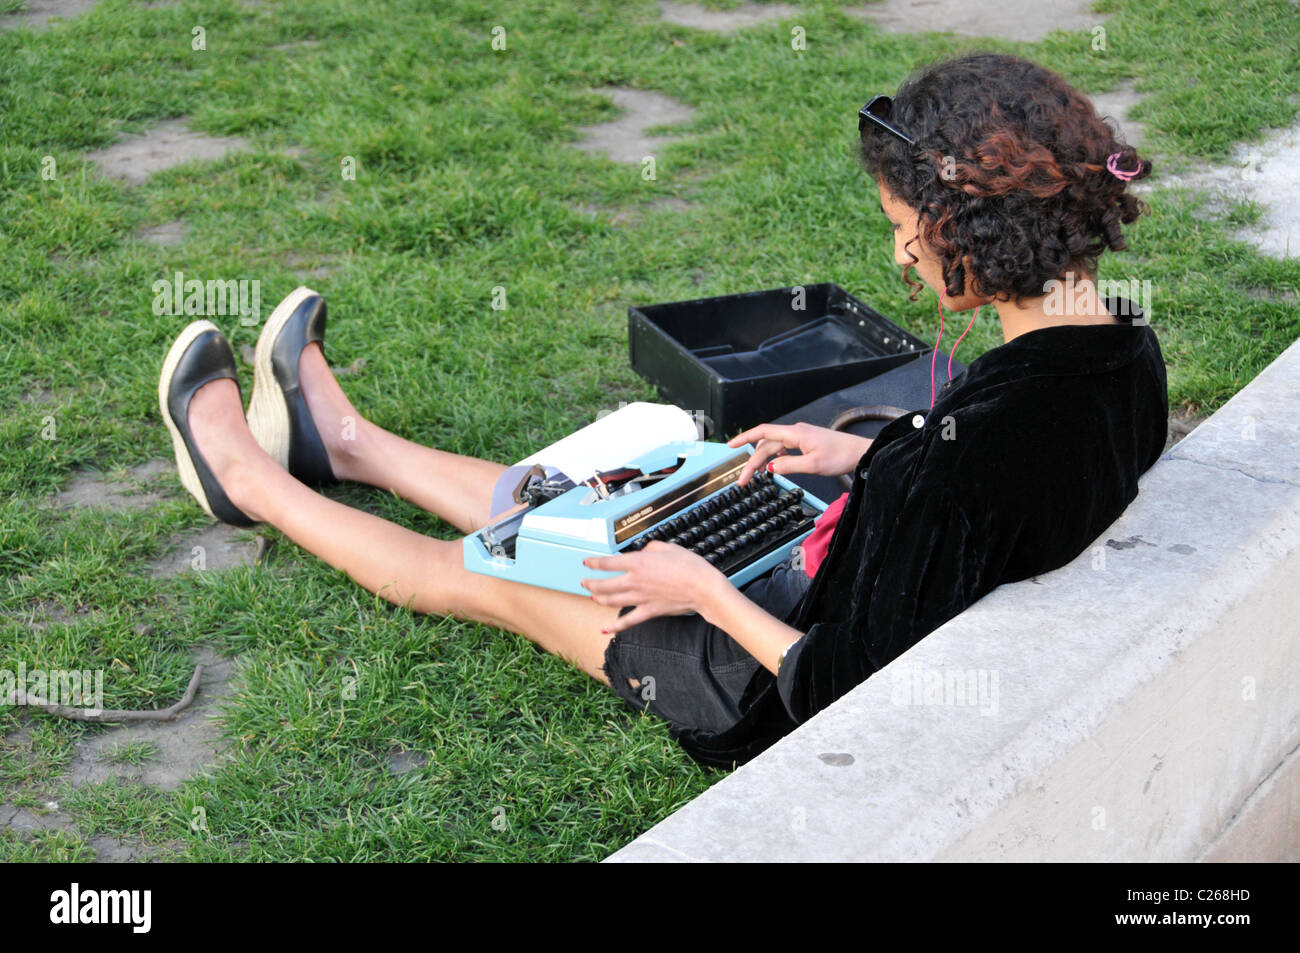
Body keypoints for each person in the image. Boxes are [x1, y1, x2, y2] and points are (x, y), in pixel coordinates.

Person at [158, 51, 1168, 770]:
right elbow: (1012, 479)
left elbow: (836, 683)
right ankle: (344, 442)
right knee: (585, 500)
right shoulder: (1121, 349)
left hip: (751, 683)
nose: (900, 255)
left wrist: (701, 589)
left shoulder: (958, 468)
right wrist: (860, 457)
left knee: (483, 573)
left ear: (959, 226)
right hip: (835, 562)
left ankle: (244, 477)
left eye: (904, 229)